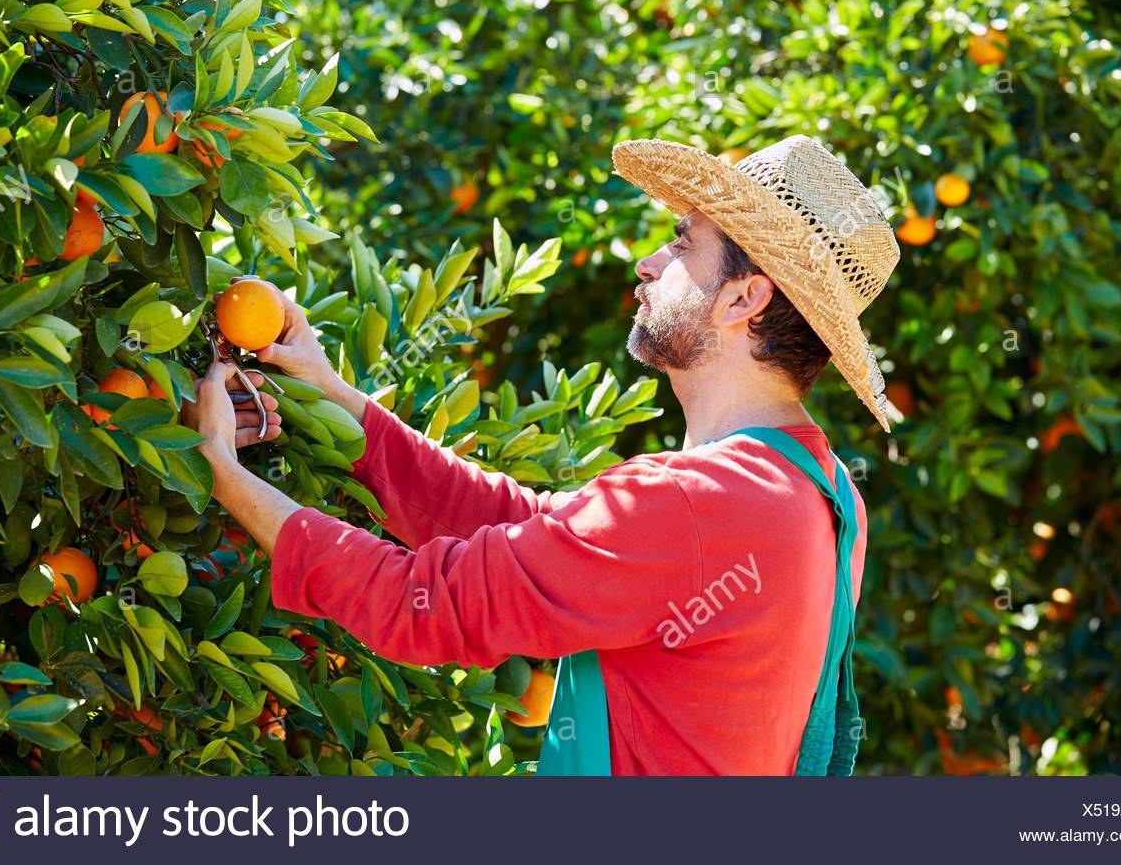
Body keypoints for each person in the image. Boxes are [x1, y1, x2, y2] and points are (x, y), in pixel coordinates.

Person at [184, 135, 901, 775]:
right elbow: (536, 530)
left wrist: (221, 469)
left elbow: (419, 604)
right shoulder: (824, 492)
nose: (649, 264)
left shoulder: (697, 504)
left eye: (683, 245)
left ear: (745, 298)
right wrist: (338, 397)